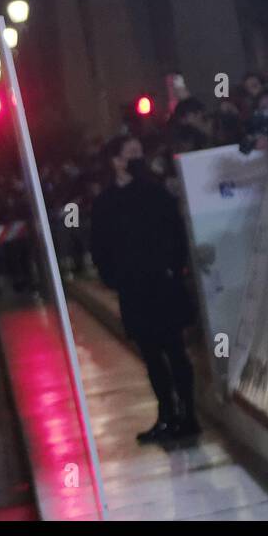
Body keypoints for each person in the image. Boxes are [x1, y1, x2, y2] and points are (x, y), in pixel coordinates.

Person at [91, 135, 200, 444]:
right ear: (116, 160)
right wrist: (112, 277)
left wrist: (173, 268)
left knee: (175, 350)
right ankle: (166, 414)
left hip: (162, 284)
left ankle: (188, 414)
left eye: (140, 152)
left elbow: (175, 232)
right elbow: (100, 244)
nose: (137, 158)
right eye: (130, 153)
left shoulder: (155, 192)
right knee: (151, 354)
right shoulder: (106, 202)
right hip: (133, 287)